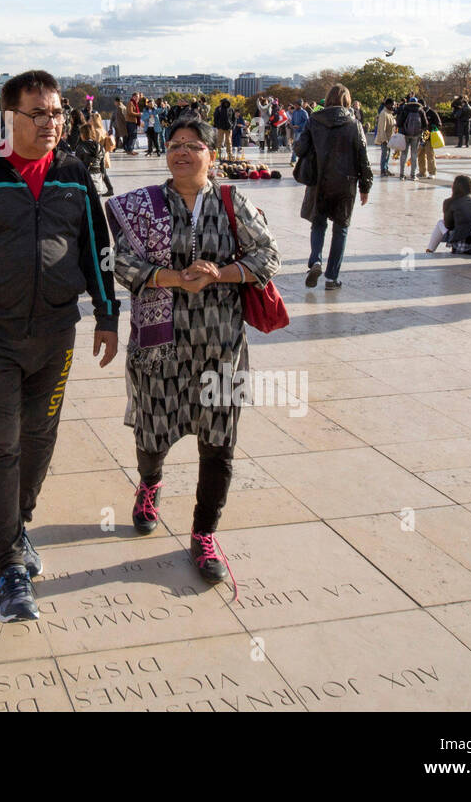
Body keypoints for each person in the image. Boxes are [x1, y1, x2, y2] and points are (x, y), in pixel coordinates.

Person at [0, 70, 118, 623]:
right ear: (9, 118)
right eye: (39, 114)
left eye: (57, 113)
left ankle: (19, 522)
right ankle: (8, 562)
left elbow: (96, 251)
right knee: (0, 442)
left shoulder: (74, 175)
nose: (52, 123)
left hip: (56, 333)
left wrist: (107, 314)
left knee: (39, 437)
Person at [108, 113, 281, 587]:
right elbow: (119, 261)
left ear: (210, 153)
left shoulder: (231, 200)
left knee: (219, 440)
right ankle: (150, 483)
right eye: (175, 144)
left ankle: (204, 533)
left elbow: (268, 256)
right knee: (152, 430)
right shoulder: (141, 206)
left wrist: (217, 274)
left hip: (220, 344)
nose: (183, 151)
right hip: (159, 345)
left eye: (194, 145)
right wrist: (171, 278)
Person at [294, 84, 372, 290]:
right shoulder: (354, 124)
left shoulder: (313, 121)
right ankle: (331, 277)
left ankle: (316, 261)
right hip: (345, 183)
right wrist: (366, 186)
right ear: (347, 101)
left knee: (318, 224)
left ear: (327, 100)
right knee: (341, 229)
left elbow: (300, 148)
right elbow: (363, 157)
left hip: (319, 181)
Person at [425, 175, 471, 252]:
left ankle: (429, 250)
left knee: (440, 223)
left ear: (454, 187)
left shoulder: (449, 202)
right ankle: (429, 250)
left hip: (461, 244)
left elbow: (448, 225)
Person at [73, 114, 114, 198]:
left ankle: (110, 189)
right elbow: (102, 168)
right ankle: (110, 189)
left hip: (86, 181)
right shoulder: (99, 145)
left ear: (83, 134)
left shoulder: (81, 147)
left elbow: (78, 166)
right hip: (97, 179)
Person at [395, 96, 426, 181]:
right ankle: (413, 175)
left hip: (405, 135)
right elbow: (425, 123)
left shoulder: (405, 109)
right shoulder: (420, 110)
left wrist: (403, 130)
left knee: (404, 154)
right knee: (414, 154)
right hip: (416, 135)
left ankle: (402, 174)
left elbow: (399, 122)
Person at [418, 104, 442, 178]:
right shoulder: (418, 112)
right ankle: (422, 172)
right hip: (421, 136)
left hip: (429, 136)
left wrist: (430, 127)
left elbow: (439, 124)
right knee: (420, 155)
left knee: (430, 155)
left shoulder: (432, 112)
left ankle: (432, 172)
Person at [374, 98, 396, 176]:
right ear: (387, 105)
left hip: (390, 139)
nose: (394, 106)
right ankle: (383, 170)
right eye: (393, 104)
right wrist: (384, 139)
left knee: (387, 154)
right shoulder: (383, 113)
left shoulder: (390, 114)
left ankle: (386, 168)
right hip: (385, 139)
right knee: (384, 154)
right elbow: (382, 127)